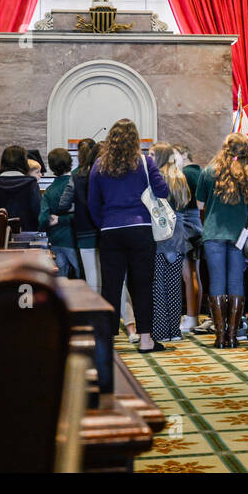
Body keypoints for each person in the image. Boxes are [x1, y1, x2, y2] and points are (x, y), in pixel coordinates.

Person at [87, 119, 171, 377]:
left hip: (111, 231)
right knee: (142, 285)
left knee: (111, 286)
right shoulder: (146, 163)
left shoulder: (99, 165)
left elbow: (92, 203)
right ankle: (146, 340)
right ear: (135, 140)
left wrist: (105, 224)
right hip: (141, 229)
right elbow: (163, 191)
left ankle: (109, 343)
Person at [70, 138, 137, 340]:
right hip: (108, 230)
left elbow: (65, 202)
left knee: (93, 282)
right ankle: (131, 327)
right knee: (118, 281)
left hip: (86, 232)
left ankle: (100, 327)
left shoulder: (78, 176)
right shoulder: (111, 175)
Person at [196, 134, 248, 348]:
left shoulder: (209, 172)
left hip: (213, 232)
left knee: (216, 282)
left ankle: (220, 337)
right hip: (238, 235)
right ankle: (233, 336)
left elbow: (200, 203)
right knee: (235, 283)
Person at [150, 142, 189, 342]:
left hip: (158, 233)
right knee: (174, 283)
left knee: (157, 284)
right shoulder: (179, 176)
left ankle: (160, 331)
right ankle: (175, 330)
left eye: (151, 154)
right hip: (177, 234)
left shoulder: (156, 178)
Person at [173, 144, 205, 334]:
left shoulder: (184, 174)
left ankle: (192, 317)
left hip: (186, 224)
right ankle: (194, 315)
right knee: (196, 274)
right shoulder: (200, 171)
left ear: (184, 154)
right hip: (197, 223)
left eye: (175, 154)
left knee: (188, 274)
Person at [40, 148, 82, 279]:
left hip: (56, 240)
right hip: (75, 239)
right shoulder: (77, 184)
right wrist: (65, 219)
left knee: (60, 282)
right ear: (70, 162)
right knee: (81, 279)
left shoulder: (49, 191)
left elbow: (43, 219)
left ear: (52, 167)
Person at [0, 145, 42, 231]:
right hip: (27, 236)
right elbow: (38, 212)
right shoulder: (31, 184)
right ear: (24, 162)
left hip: (1, 236)